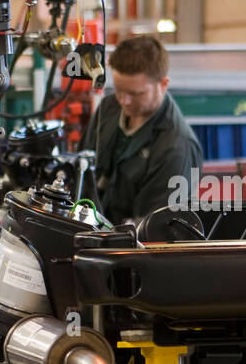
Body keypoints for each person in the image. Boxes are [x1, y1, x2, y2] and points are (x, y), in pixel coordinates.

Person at [81, 35, 203, 223]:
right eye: (119, 90)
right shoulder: (108, 108)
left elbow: (157, 227)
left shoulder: (177, 148)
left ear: (163, 85)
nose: (124, 100)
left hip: (130, 247)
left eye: (135, 94)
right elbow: (83, 166)